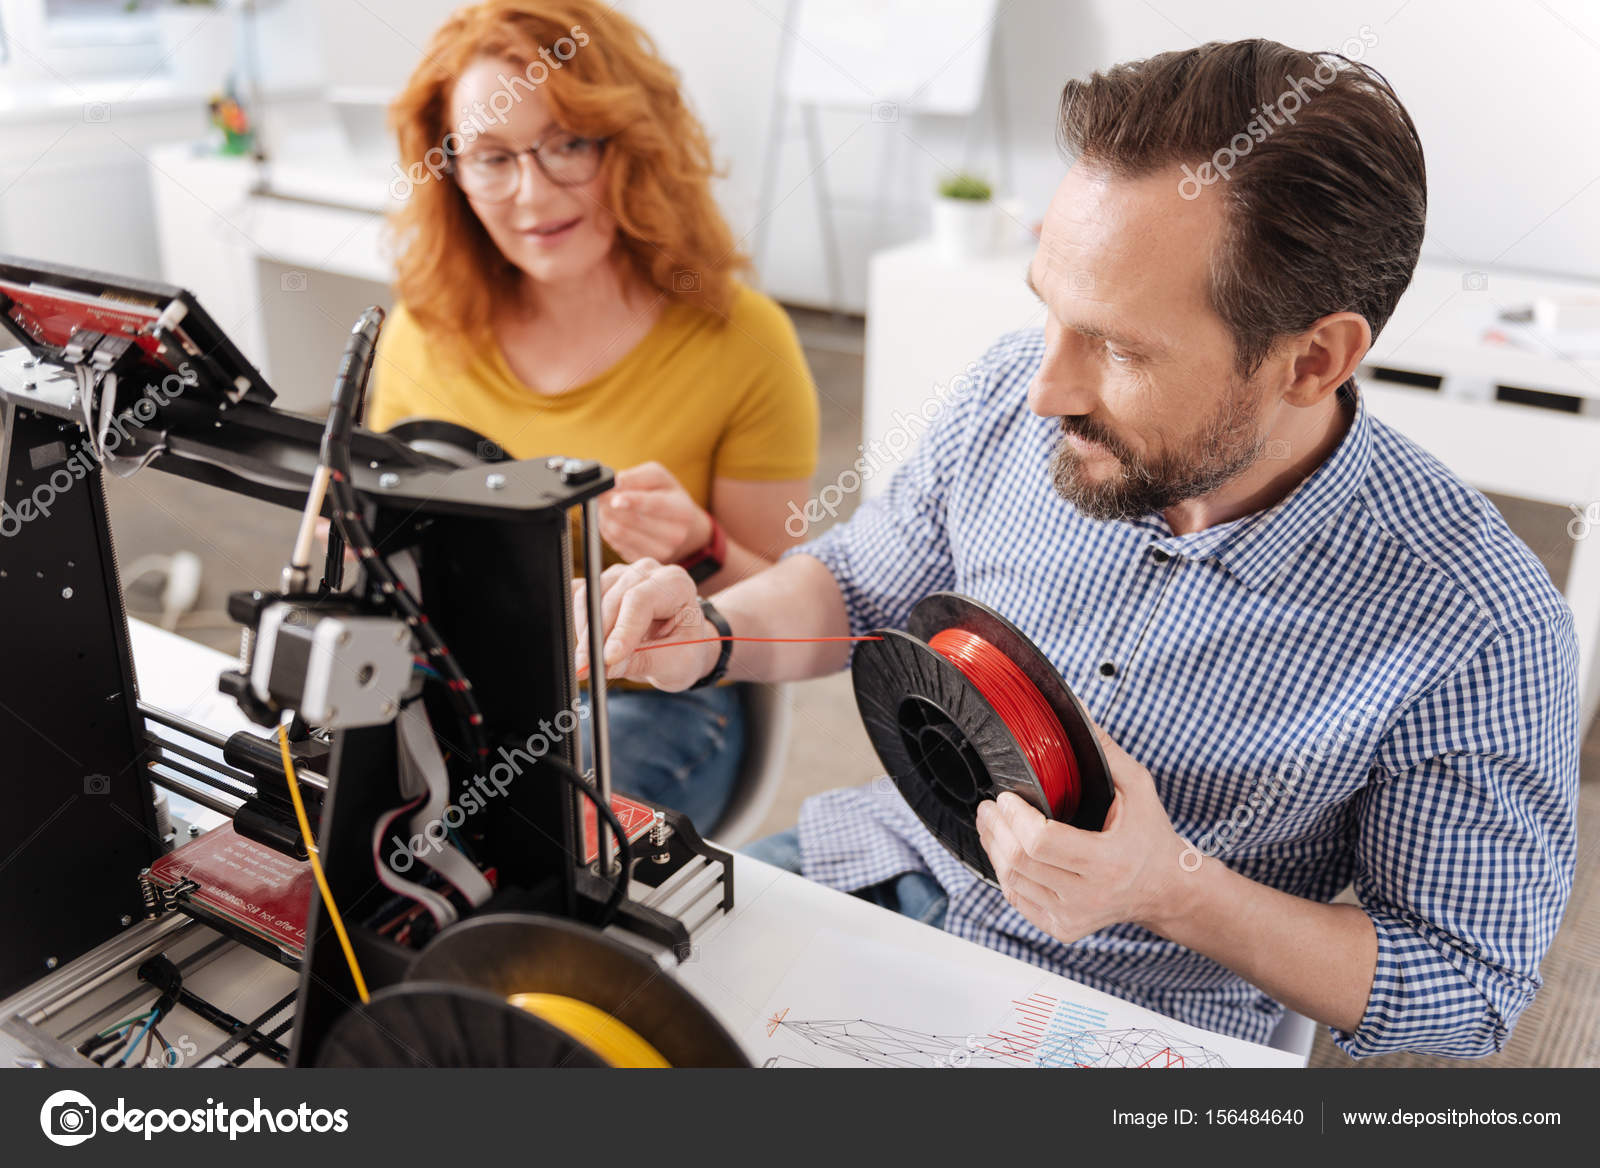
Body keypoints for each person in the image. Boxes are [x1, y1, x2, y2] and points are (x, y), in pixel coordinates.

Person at [572, 40, 1580, 1058]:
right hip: (865, 873)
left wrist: (1171, 889)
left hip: (1128, 1016)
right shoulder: (1017, 390)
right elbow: (861, 582)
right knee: (552, 1019)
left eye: (1122, 347)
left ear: (1312, 359)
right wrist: (710, 631)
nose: (1046, 385)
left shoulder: (1479, 621)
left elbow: (1465, 988)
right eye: (1048, 307)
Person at [369, 1, 819, 832]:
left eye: (569, 144)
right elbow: (372, 549)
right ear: (452, 173)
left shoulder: (744, 340)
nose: (533, 193)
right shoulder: (419, 331)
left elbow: (798, 619)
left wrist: (698, 548)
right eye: (493, 158)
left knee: (509, 834)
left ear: (633, 145)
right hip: (457, 688)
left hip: (656, 705)